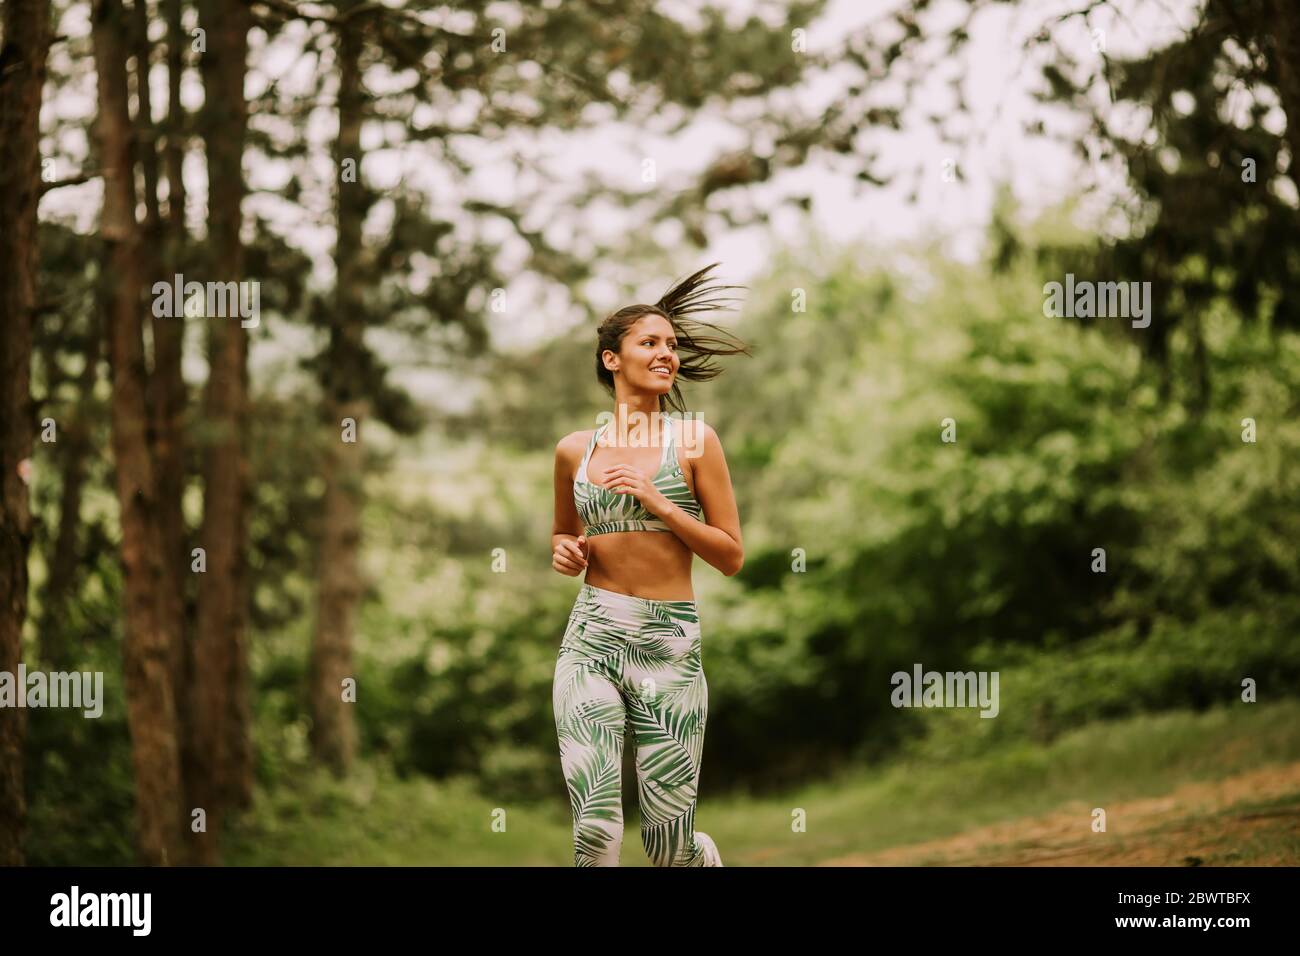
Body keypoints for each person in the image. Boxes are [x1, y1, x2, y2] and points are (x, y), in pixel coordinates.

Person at [550, 263, 750, 866]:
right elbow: (565, 533)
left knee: (668, 847)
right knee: (595, 827)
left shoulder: (694, 441)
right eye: (650, 343)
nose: (667, 354)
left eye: (671, 345)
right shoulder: (572, 451)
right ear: (613, 359)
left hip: (669, 643)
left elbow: (731, 556)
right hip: (592, 637)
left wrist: (657, 499)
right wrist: (566, 551)